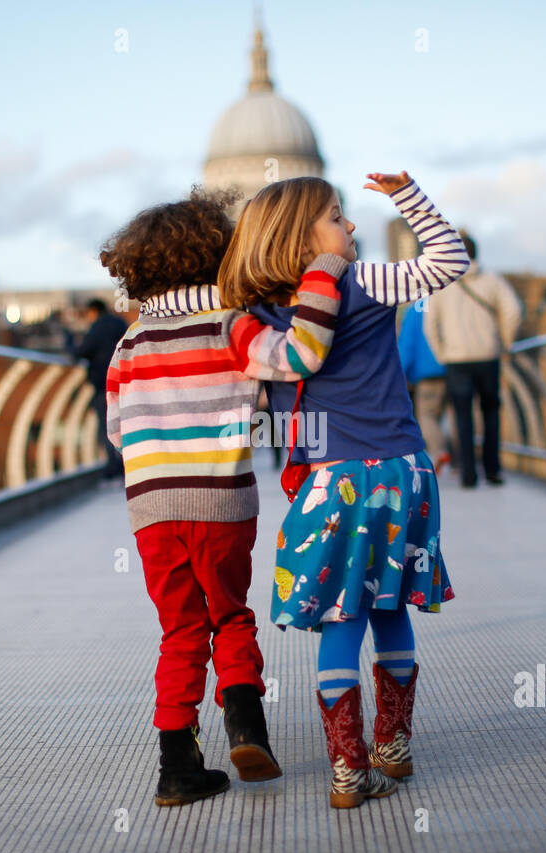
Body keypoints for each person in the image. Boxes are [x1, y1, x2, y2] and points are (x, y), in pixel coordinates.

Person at [217, 170, 469, 809]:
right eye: (337, 215)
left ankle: (347, 769)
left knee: (341, 617)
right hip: (404, 473)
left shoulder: (253, 323)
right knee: (391, 609)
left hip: (332, 484)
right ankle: (394, 745)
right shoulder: (367, 282)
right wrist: (408, 195)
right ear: (303, 238)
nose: (351, 225)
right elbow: (449, 260)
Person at [101, 186, 349, 807]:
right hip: (222, 501)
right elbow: (296, 358)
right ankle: (246, 726)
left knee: (179, 630)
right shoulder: (229, 322)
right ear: (221, 253)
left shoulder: (128, 345)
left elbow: (115, 429)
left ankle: (177, 767)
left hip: (153, 509)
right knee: (230, 614)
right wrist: (323, 278)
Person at [423, 231, 522, 487]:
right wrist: (506, 343)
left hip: (457, 359)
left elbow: (430, 325)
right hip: (488, 355)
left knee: (462, 415)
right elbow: (513, 312)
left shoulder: (442, 285)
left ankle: (468, 473)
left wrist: (442, 353)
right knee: (491, 413)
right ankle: (493, 470)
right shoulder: (492, 280)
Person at [72, 299, 128, 478]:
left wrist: (69, 343)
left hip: (103, 384)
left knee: (107, 425)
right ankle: (126, 464)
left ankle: (113, 467)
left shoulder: (96, 328)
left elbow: (82, 351)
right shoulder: (120, 323)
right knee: (125, 423)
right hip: (125, 381)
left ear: (93, 311)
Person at [397, 300, 451, 474]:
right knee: (451, 413)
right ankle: (460, 458)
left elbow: (407, 343)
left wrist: (401, 371)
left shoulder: (414, 310)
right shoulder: (445, 303)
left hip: (427, 372)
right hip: (454, 368)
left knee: (427, 415)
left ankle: (438, 452)